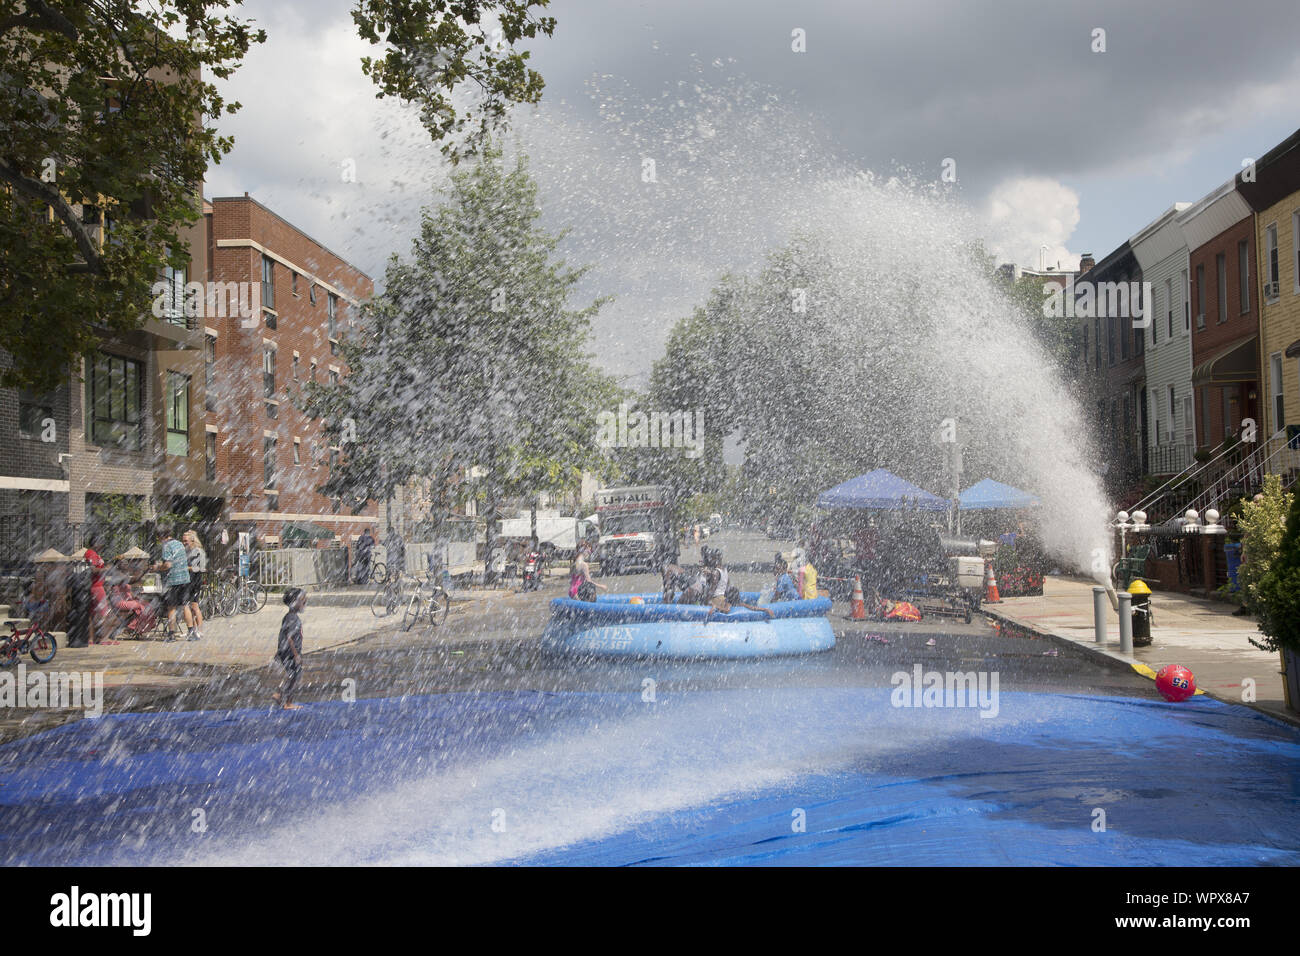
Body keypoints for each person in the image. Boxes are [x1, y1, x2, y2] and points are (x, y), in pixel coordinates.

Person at [151, 526, 192, 641]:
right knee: (185, 605)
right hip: (184, 578)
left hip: (173, 580)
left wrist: (157, 567)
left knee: (171, 607)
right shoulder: (179, 543)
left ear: (161, 537)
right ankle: (191, 632)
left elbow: (168, 565)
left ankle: (171, 634)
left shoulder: (166, 546)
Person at [273, 587, 306, 710]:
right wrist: (296, 655)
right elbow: (289, 638)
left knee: (293, 675)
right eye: (302, 601)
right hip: (290, 653)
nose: (305, 603)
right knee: (295, 675)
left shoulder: (290, 616)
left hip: (286, 652)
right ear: (294, 602)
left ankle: (281, 695)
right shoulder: (292, 618)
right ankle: (287, 701)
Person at [82, 534, 118, 645]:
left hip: (95, 586)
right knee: (106, 613)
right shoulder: (91, 554)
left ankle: (91, 638)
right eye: (101, 543)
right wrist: (106, 569)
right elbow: (93, 570)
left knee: (93, 614)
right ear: (96, 543)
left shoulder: (91, 553)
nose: (102, 545)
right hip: (97, 587)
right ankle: (104, 638)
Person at [182, 529, 206, 641]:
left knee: (195, 606)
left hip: (195, 580)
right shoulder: (186, 551)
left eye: (186, 540)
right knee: (190, 607)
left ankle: (200, 630)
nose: (184, 543)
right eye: (183, 541)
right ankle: (193, 630)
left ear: (192, 540)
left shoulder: (198, 551)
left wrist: (186, 568)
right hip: (188, 580)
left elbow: (200, 568)